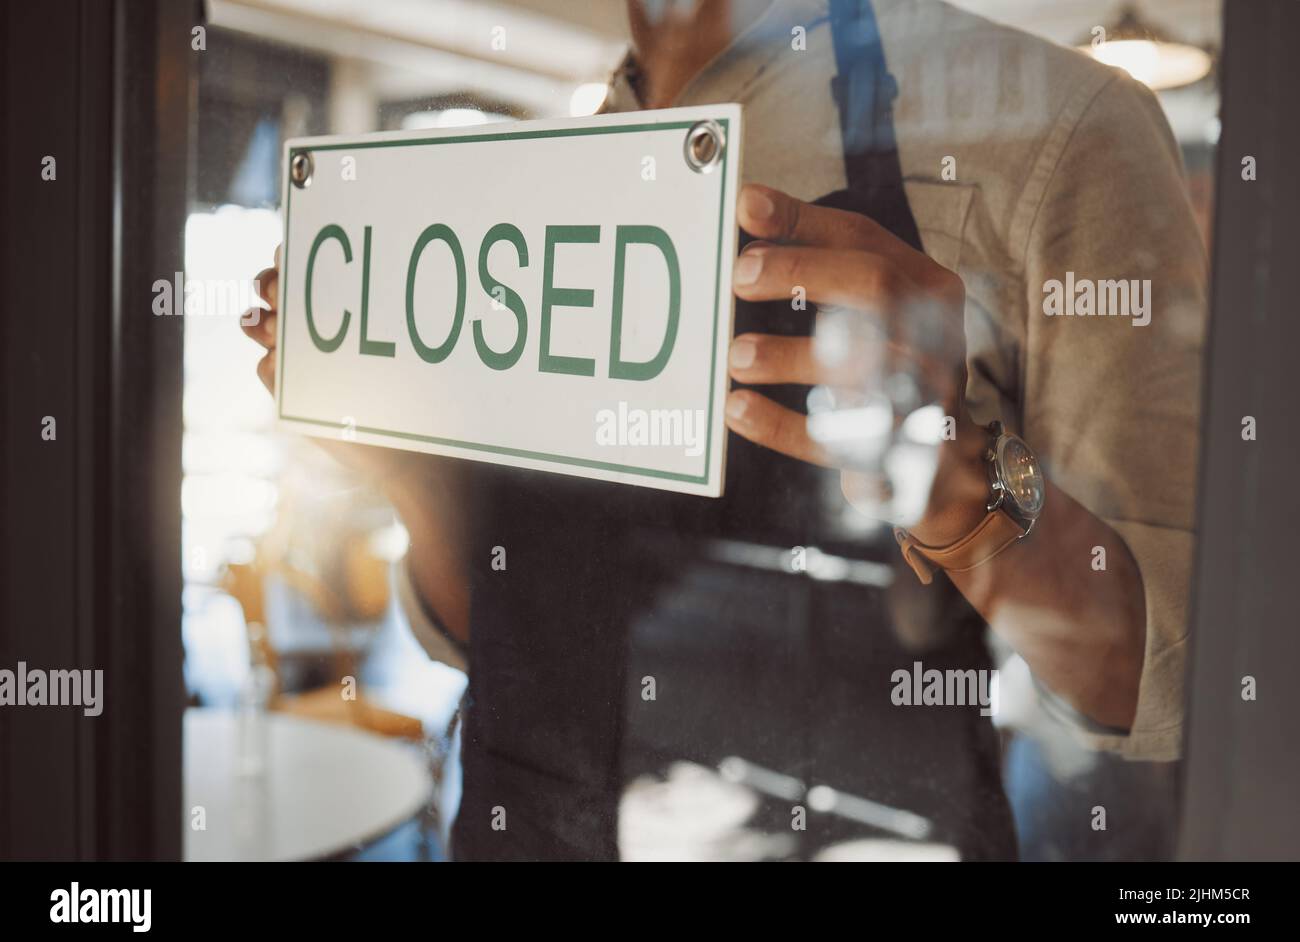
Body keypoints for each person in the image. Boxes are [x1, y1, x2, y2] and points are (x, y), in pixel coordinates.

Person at [241, 0, 1204, 860]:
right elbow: (489, 633)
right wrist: (411, 472)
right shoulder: (530, 193)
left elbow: (1157, 686)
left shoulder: (1062, 130)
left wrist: (948, 473)